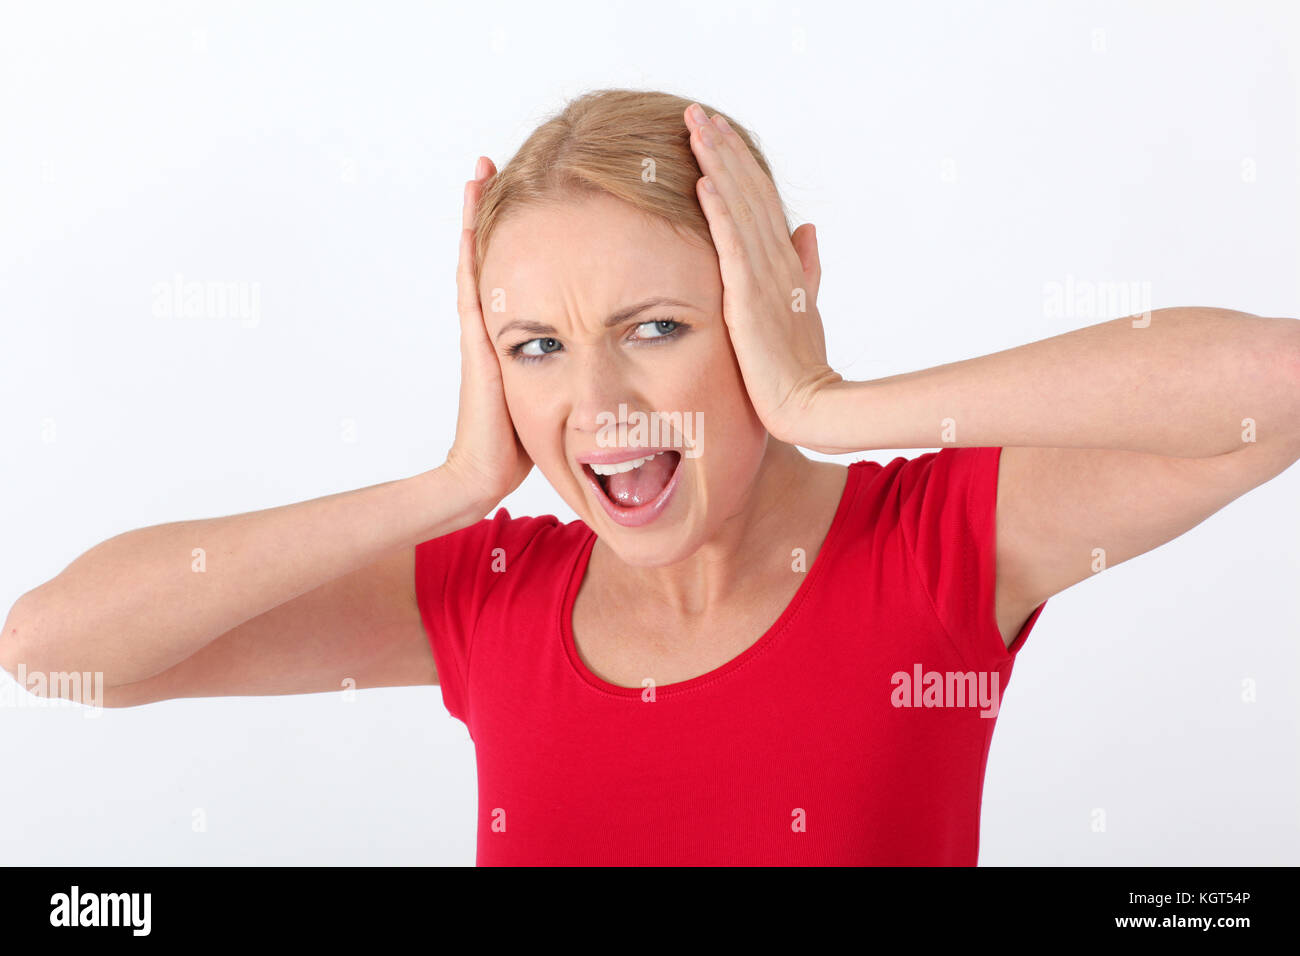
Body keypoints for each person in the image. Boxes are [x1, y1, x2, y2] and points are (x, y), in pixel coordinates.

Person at [4, 89, 1298, 865]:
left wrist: (825, 403)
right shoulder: (492, 594)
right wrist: (452, 485)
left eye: (657, 328)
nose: (601, 407)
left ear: (778, 291)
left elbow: (1273, 385)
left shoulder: (932, 547)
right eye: (539, 349)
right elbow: (54, 650)